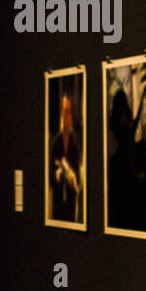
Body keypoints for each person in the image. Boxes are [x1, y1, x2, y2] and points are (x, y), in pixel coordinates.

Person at [49, 92, 83, 222]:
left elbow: (77, 167)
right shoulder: (56, 141)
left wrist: (72, 176)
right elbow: (50, 168)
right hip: (58, 197)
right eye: (64, 111)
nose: (65, 115)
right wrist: (56, 175)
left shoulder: (75, 140)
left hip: (70, 195)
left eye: (68, 112)